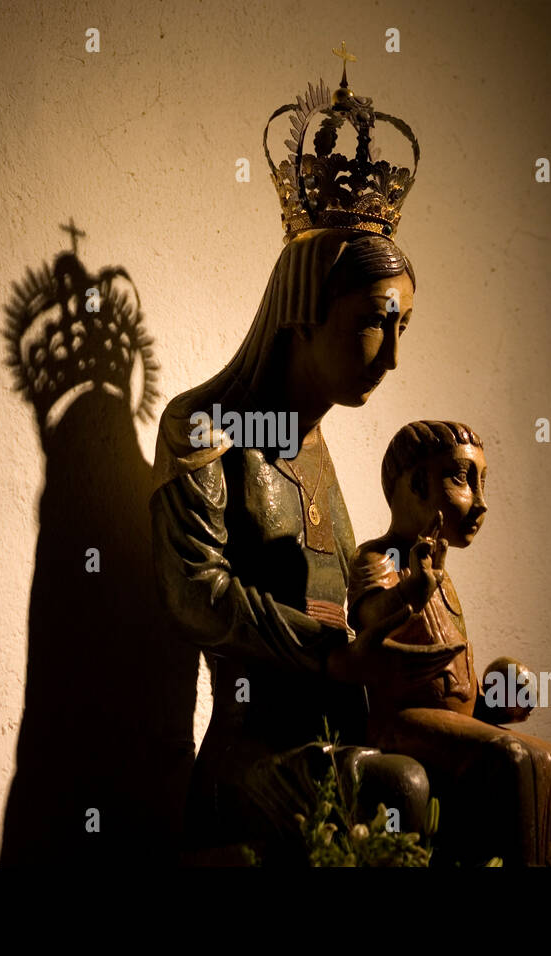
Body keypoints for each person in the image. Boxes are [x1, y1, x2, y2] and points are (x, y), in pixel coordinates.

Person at [148, 228, 458, 858]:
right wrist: (331, 655)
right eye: (375, 322)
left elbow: (350, 608)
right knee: (400, 786)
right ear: (302, 314)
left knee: (496, 770)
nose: (393, 357)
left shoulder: (316, 448)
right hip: (252, 753)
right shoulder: (204, 429)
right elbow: (195, 591)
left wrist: (407, 607)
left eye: (404, 328)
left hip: (341, 736)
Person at [349, 421, 551, 865]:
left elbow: (451, 682)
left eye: (482, 481)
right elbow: (369, 620)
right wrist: (411, 590)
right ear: (416, 483)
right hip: (402, 722)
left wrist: (496, 694)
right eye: (463, 479)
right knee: (513, 759)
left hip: (442, 721)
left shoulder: (442, 574)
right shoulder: (381, 557)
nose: (482, 500)